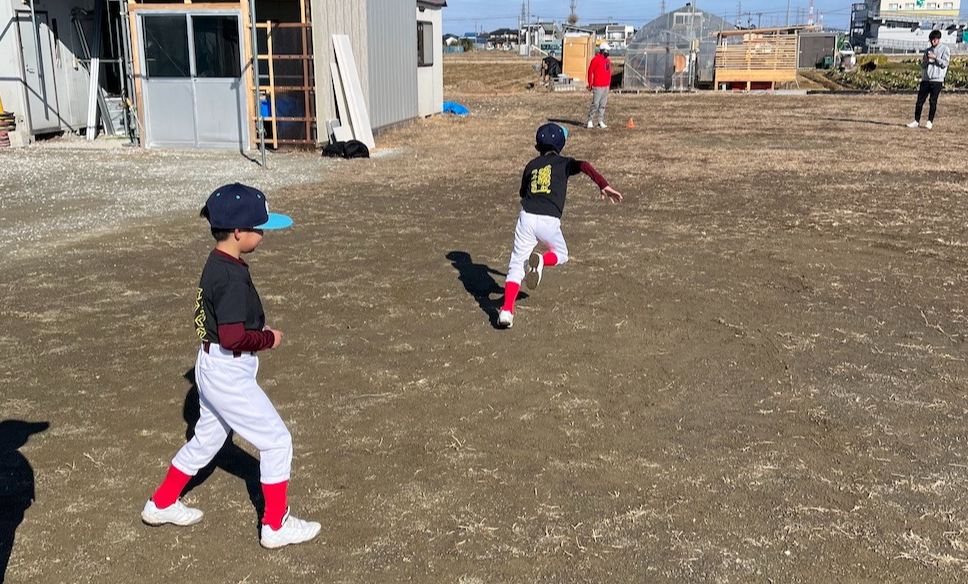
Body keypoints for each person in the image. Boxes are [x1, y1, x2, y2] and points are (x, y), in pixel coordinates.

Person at [141, 183, 321, 550]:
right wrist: (268, 338)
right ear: (238, 233)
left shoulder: (218, 262)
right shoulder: (231, 278)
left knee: (208, 439)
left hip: (211, 365)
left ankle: (160, 503)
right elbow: (235, 337)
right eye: (259, 229)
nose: (263, 235)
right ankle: (275, 524)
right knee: (277, 442)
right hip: (227, 370)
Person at [497, 123, 623, 328]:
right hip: (549, 220)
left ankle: (506, 311)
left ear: (537, 146)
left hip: (527, 217)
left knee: (516, 265)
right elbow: (584, 165)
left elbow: (522, 192)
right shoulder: (564, 163)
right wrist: (603, 184)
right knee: (561, 254)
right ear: (561, 145)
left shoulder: (531, 165)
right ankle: (541, 259)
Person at [907, 30, 950, 130]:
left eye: (934, 40)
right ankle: (916, 120)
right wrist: (925, 60)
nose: (932, 42)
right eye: (931, 40)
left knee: (933, 101)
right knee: (919, 101)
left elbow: (945, 63)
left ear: (938, 39)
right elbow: (922, 65)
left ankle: (930, 121)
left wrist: (936, 58)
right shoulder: (927, 50)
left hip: (937, 80)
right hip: (926, 79)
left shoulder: (945, 49)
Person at [586, 42, 612, 128]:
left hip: (605, 86)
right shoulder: (595, 60)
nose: (608, 52)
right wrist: (590, 83)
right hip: (598, 85)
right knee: (595, 104)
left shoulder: (608, 61)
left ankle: (600, 121)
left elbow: (609, 72)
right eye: (606, 50)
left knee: (603, 104)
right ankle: (590, 120)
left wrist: (609, 84)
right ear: (602, 50)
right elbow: (590, 72)